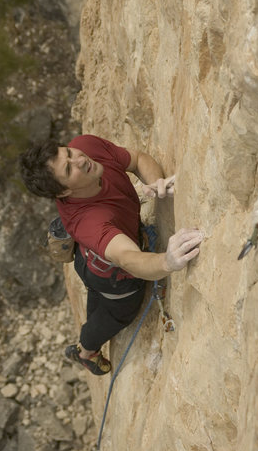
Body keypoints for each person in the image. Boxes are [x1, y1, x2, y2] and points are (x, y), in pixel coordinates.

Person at [19, 134, 203, 375]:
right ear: (63, 192)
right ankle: (86, 350)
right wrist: (167, 261)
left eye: (69, 153)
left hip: (91, 261)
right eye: (68, 168)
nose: (80, 159)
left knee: (99, 296)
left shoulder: (85, 146)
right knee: (119, 313)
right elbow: (128, 257)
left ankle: (92, 316)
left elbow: (136, 159)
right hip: (114, 278)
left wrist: (156, 181)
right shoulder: (89, 222)